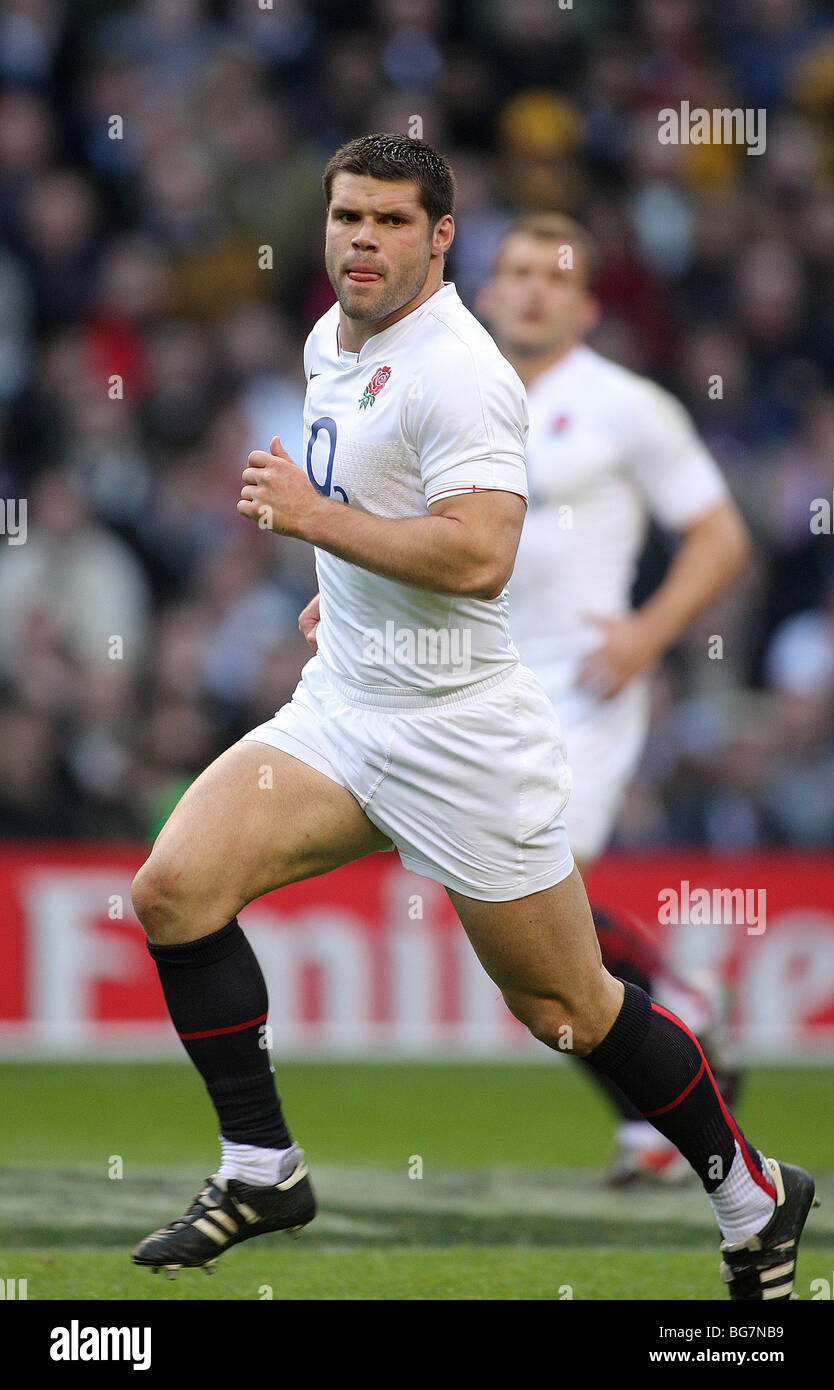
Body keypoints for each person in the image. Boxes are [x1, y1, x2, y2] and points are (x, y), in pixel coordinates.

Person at [130, 134, 814, 1299]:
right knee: (172, 890)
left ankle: (755, 1198)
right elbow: (369, 506)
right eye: (348, 215)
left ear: (442, 238)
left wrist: (309, 524)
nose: (362, 239)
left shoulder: (462, 369)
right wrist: (334, 597)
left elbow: (481, 552)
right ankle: (263, 1165)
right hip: (345, 707)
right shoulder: (326, 341)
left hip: (460, 733)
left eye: (393, 222)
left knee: (569, 1006)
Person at [478, 212, 749, 1186]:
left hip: (585, 683)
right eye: (517, 272)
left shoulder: (626, 405)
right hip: (475, 685)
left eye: (556, 276)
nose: (534, 290)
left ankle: (672, 1009)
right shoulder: (456, 396)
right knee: (528, 945)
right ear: (487, 290)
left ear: (589, 304)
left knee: (539, 888)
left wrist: (646, 633)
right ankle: (654, 1102)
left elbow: (719, 535)